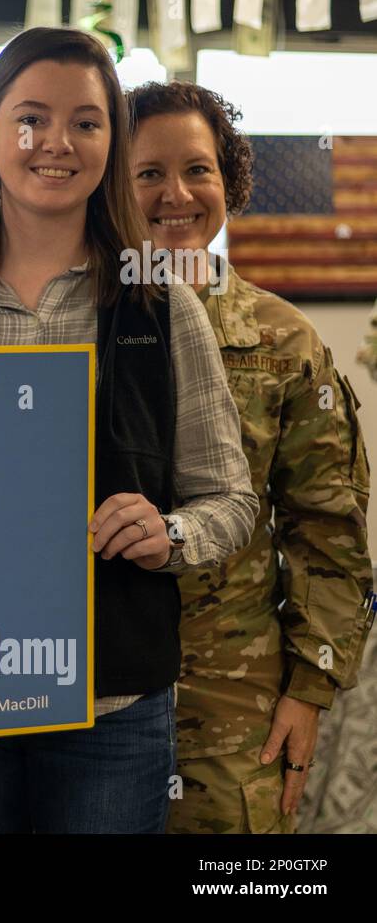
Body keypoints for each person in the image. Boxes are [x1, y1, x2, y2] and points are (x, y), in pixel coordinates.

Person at [0, 27, 257, 833]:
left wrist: (169, 532)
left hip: (113, 705)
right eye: (30, 119)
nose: (57, 142)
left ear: (111, 144)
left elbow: (230, 499)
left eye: (85, 121)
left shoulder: (163, 305)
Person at [126, 81, 373, 834]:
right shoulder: (73, 327)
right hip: (91, 704)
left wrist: (310, 689)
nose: (176, 194)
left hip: (234, 712)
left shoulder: (283, 342)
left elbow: (327, 530)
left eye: (197, 169)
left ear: (228, 181)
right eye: (148, 173)